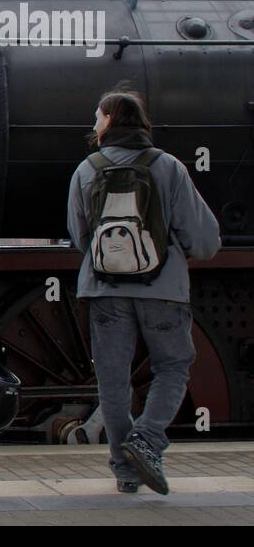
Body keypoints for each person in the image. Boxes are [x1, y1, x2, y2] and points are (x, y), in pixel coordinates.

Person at [67, 89, 220, 494]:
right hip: (164, 289)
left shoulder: (87, 169)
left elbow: (80, 236)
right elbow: (204, 239)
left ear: (111, 121)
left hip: (104, 289)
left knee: (113, 381)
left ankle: (125, 470)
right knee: (172, 367)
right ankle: (146, 440)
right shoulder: (168, 166)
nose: (94, 123)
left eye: (97, 117)